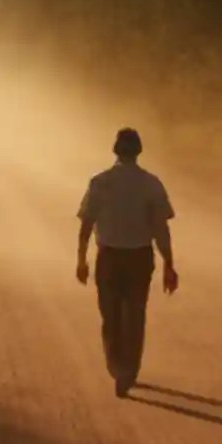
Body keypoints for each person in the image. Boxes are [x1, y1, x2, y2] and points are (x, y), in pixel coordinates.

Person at [76, 127, 179, 398]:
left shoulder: (100, 182)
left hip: (108, 257)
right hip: (139, 258)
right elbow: (160, 228)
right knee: (135, 314)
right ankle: (128, 370)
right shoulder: (151, 184)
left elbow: (87, 223)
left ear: (115, 150)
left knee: (110, 315)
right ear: (139, 151)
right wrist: (169, 263)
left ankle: (116, 364)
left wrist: (81, 259)